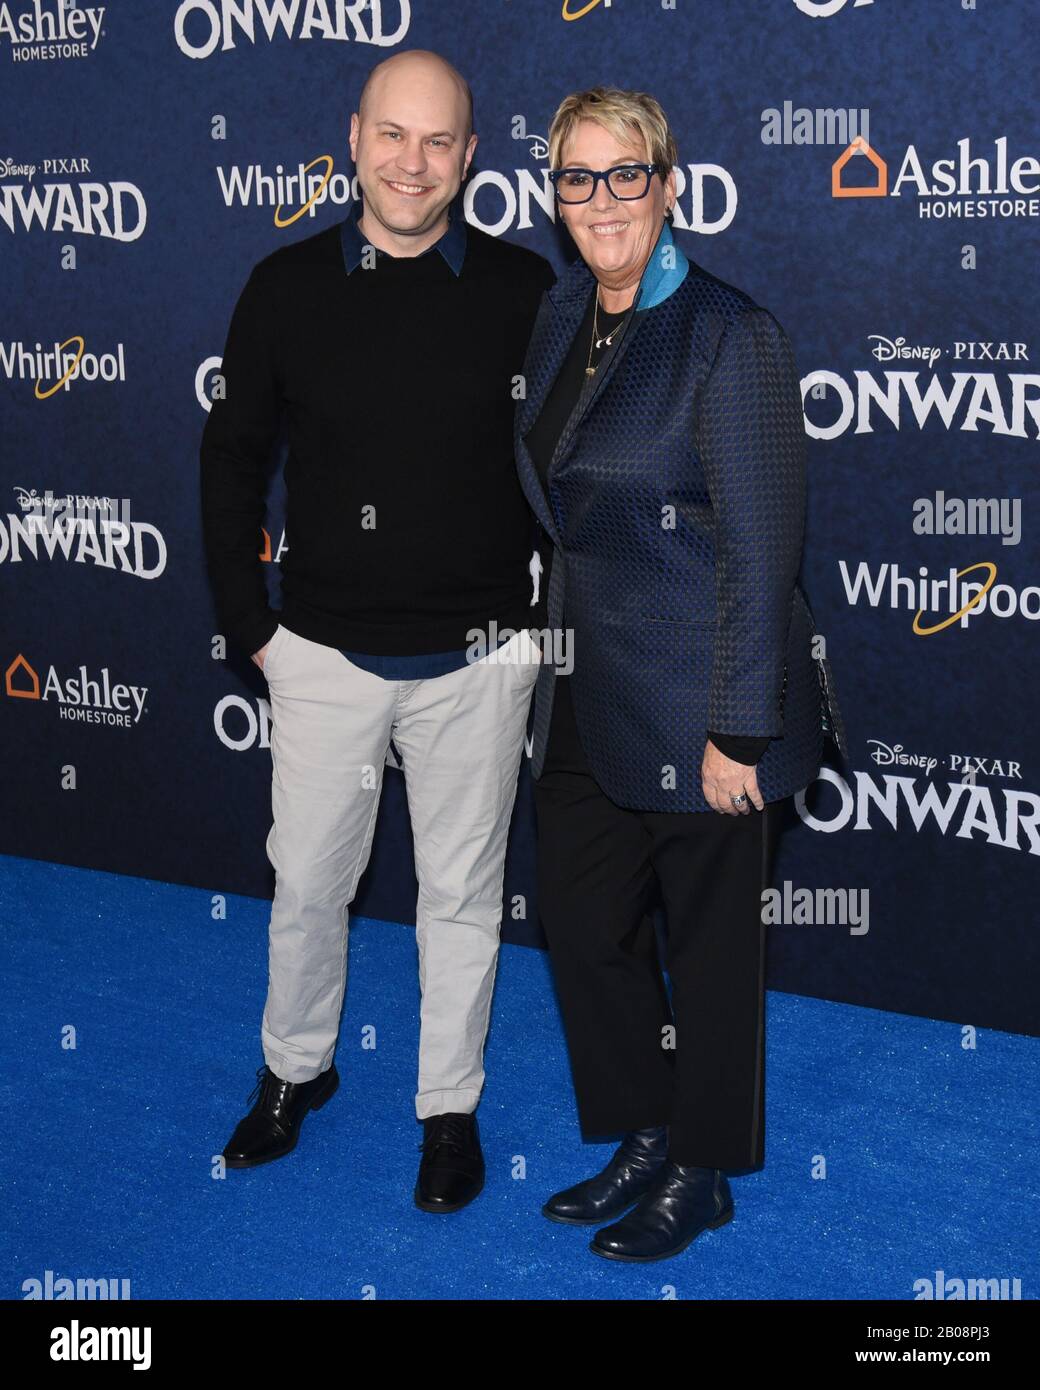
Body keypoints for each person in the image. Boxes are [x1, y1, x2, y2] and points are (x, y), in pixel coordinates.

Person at [200, 49, 553, 1213]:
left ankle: (447, 1108)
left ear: (468, 155)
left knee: (459, 896)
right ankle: (295, 1071)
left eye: (438, 140)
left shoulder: (522, 294)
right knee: (306, 881)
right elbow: (231, 458)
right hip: (323, 657)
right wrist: (252, 625)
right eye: (391, 136)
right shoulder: (283, 287)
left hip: (478, 661)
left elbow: (570, 468)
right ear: (352, 140)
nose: (412, 162)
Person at [514, 86, 846, 1261]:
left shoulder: (726, 334)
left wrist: (741, 732)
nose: (599, 199)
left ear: (666, 183)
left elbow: (763, 554)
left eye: (623, 174)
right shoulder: (560, 317)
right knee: (581, 926)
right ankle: (644, 1129)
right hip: (582, 698)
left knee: (706, 948)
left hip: (704, 704)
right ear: (552, 195)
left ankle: (703, 1169)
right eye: (575, 177)